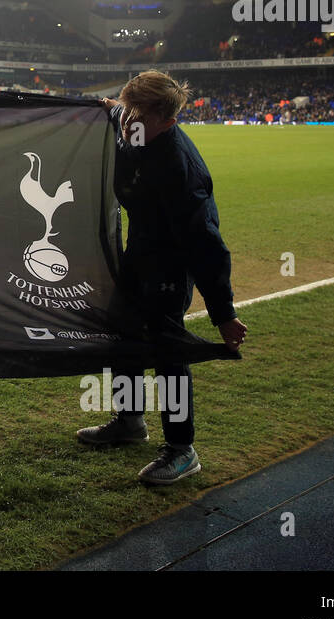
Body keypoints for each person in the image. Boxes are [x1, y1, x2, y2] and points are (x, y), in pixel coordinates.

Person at [79, 70, 247, 484]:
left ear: (160, 115)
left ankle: (181, 449)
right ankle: (130, 420)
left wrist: (222, 313)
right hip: (139, 257)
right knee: (126, 339)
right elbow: (122, 118)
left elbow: (206, 246)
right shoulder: (140, 131)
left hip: (171, 269)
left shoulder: (180, 168)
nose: (125, 117)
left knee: (168, 353)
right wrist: (112, 109)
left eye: (132, 110)